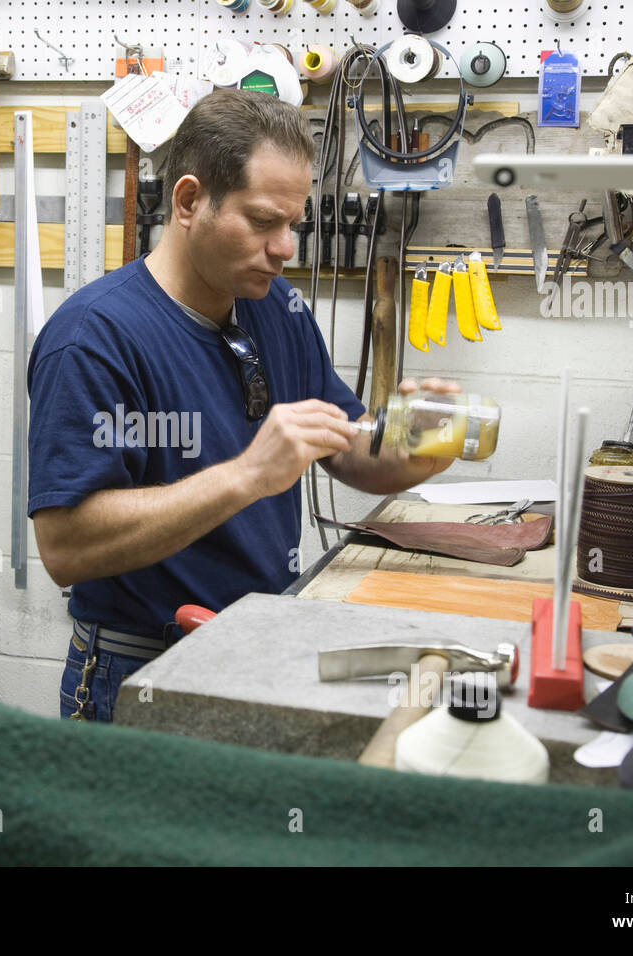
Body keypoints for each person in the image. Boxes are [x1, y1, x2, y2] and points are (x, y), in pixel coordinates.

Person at [27, 88, 460, 722]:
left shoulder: (275, 309)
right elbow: (65, 547)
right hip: (144, 671)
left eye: (295, 223)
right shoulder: (93, 337)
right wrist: (246, 476)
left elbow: (347, 444)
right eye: (262, 222)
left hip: (258, 650)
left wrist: (410, 443)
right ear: (188, 201)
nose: (286, 248)